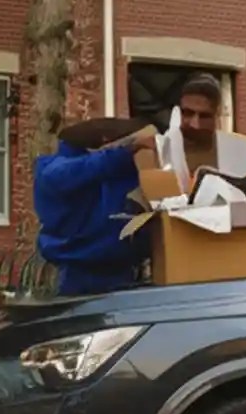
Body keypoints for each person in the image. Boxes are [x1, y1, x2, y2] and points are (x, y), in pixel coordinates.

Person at [34, 117, 156, 296]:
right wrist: (127, 150)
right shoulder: (56, 170)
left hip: (118, 269)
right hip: (74, 271)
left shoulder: (113, 169)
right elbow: (78, 171)